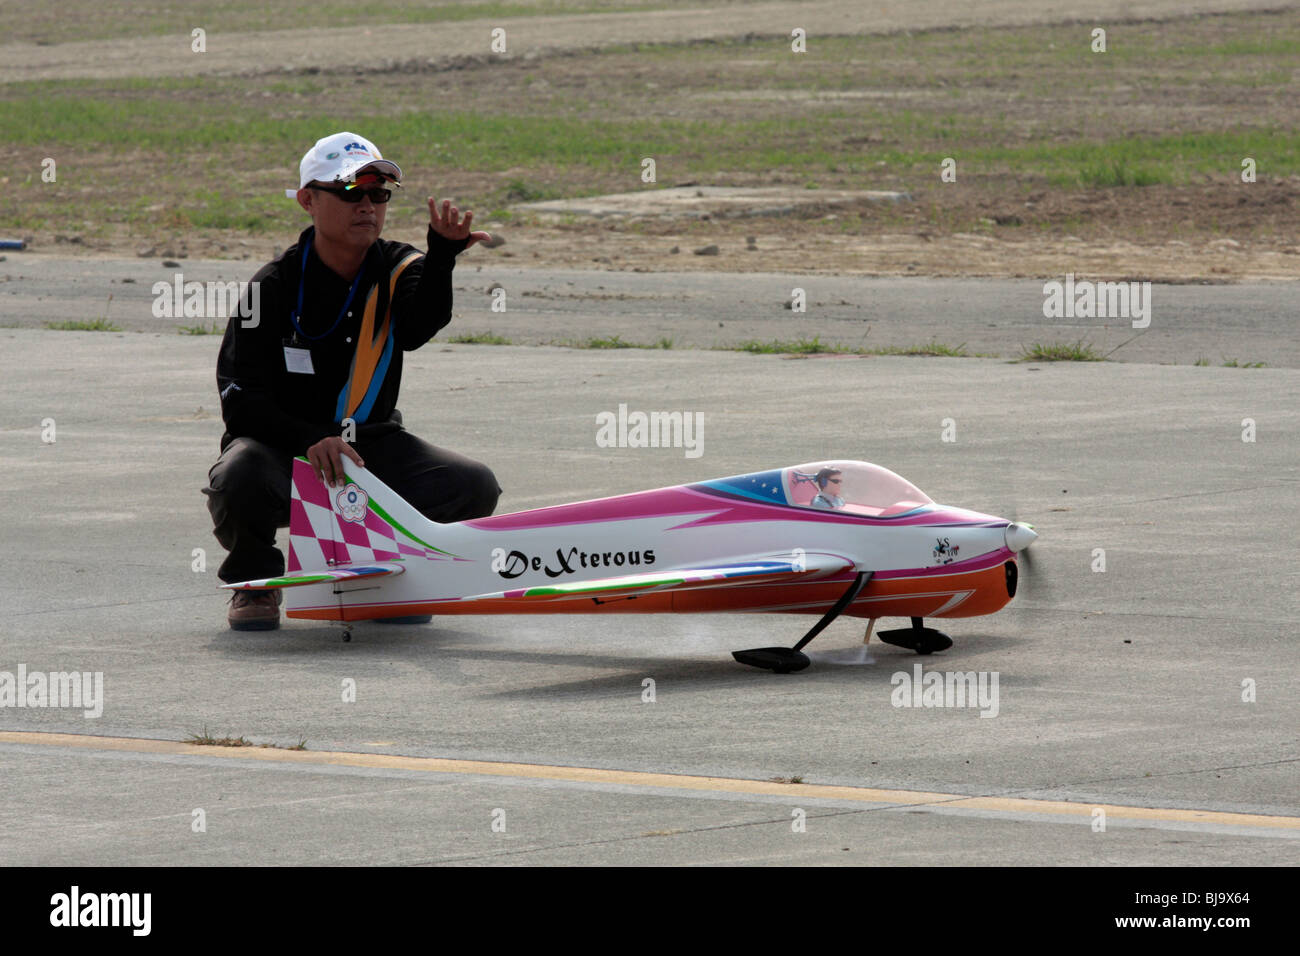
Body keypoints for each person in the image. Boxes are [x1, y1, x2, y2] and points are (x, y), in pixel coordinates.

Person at [204, 131, 501, 630]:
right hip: (285, 449)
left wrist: (443, 258)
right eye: (349, 193)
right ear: (308, 200)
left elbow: (417, 328)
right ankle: (254, 584)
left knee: (473, 486)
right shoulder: (272, 286)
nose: (366, 205)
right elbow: (239, 398)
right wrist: (307, 439)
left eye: (378, 194)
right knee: (238, 477)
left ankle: (393, 579)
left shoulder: (399, 266)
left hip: (370, 445)